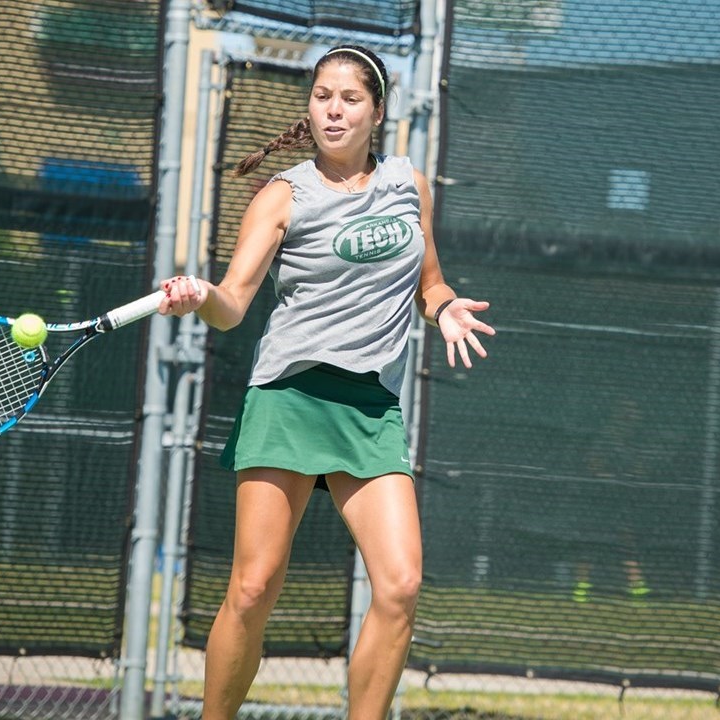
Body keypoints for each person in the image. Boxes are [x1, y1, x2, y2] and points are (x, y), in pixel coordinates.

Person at [158, 44, 495, 720]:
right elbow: (232, 305)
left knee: (399, 585)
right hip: (289, 398)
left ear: (377, 112)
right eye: (321, 96)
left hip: (370, 408)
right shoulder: (283, 196)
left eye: (349, 98)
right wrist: (201, 296)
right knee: (252, 590)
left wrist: (445, 304)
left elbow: (430, 284)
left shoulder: (408, 184)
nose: (332, 109)